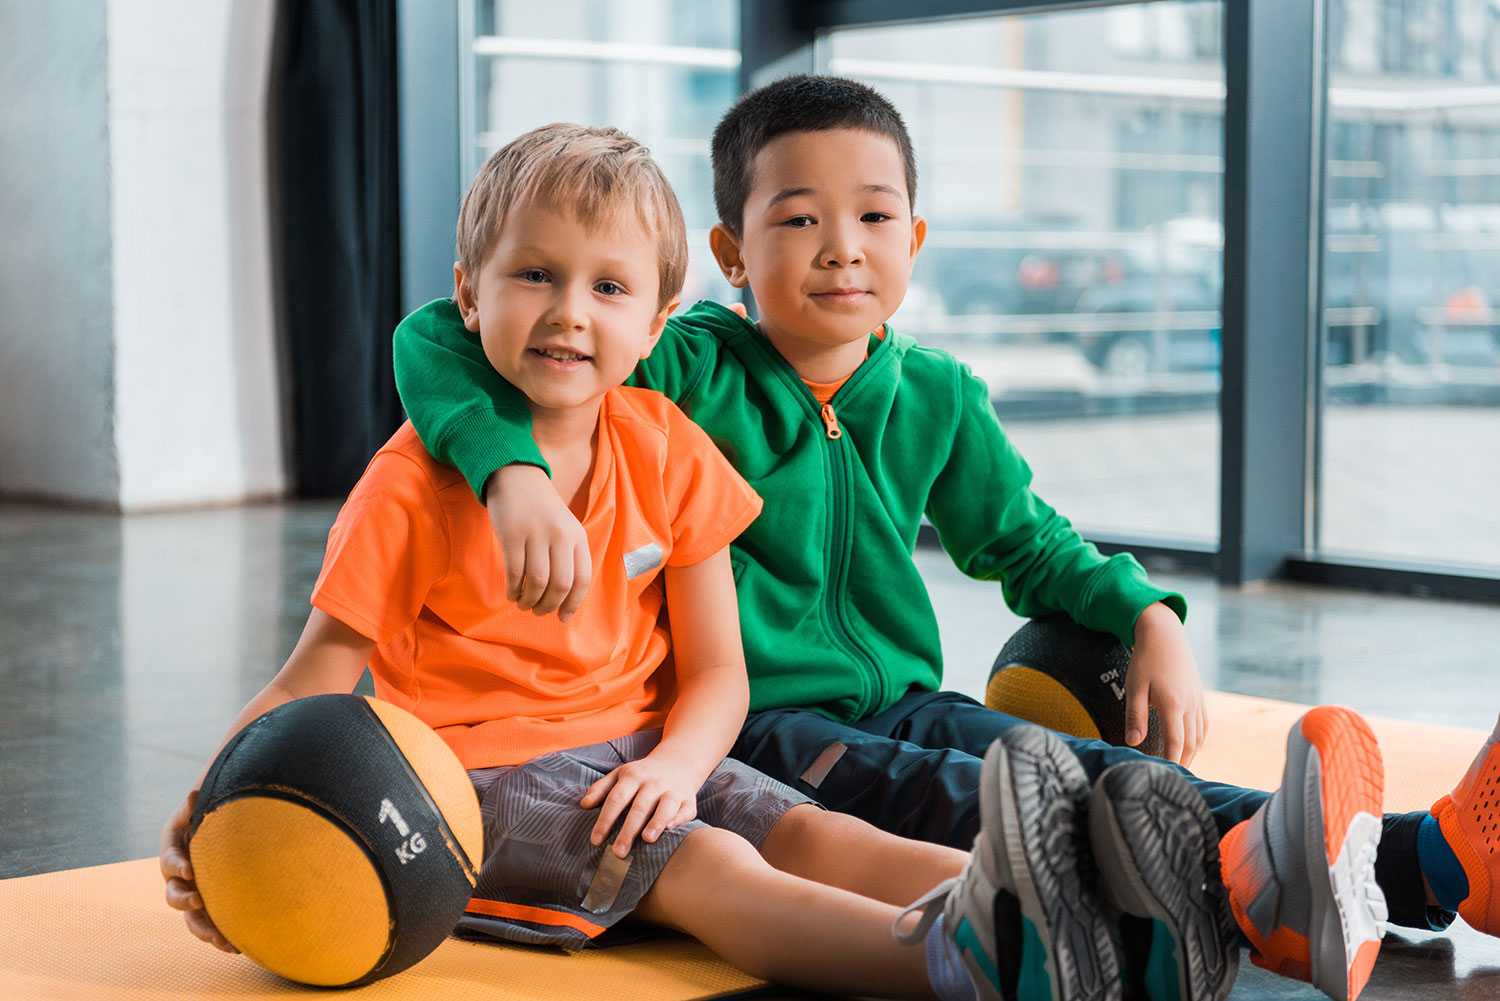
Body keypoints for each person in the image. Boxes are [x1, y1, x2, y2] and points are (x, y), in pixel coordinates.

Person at [386, 75, 1500, 1001]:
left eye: (873, 217)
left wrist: (1146, 611)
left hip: (908, 690)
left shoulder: (936, 395)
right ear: (730, 248)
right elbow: (440, 330)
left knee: (1083, 768)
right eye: (797, 219)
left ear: (914, 239)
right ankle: (1261, 901)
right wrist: (511, 467)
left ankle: (1427, 857)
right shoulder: (680, 368)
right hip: (755, 726)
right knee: (961, 795)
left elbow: (1027, 539)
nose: (841, 249)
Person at [156, 122, 1247, 1001]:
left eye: (609, 288)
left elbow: (719, 671)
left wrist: (677, 762)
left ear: (661, 317)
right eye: (534, 275)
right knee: (711, 865)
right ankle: (958, 961)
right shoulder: (411, 483)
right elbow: (315, 676)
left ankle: (1088, 922)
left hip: (648, 746)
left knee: (822, 831)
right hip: (476, 783)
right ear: (469, 293)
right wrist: (220, 801)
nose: (569, 313)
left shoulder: (668, 447)